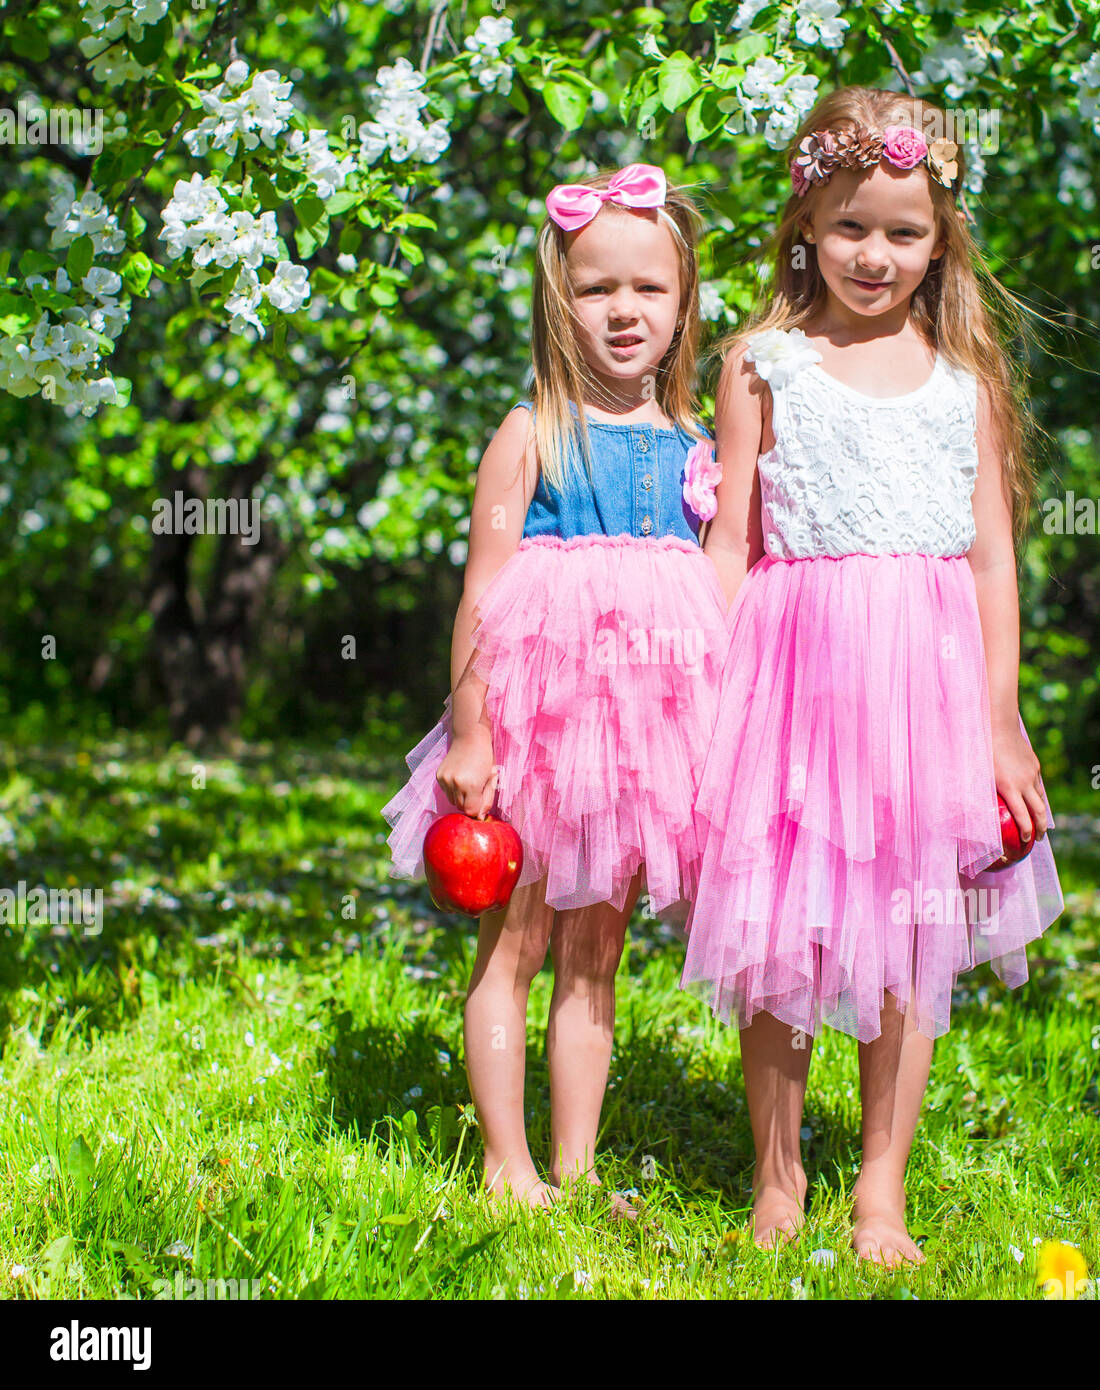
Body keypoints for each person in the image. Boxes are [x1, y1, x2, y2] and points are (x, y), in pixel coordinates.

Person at [679, 89, 1065, 1265]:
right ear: (805, 223)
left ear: (940, 238)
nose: (874, 254)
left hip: (925, 692)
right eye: (849, 226)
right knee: (779, 930)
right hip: (790, 679)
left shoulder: (965, 383)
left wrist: (999, 724)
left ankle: (880, 1190)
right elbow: (733, 542)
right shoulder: (764, 364)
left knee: (908, 940)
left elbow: (992, 560)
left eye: (902, 231)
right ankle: (779, 1173)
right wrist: (698, 693)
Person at [383, 163, 728, 1212]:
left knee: (596, 955)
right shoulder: (529, 434)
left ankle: (574, 1166)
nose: (623, 310)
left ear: (683, 303)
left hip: (636, 747)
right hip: (536, 723)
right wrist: (472, 733)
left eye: (648, 289)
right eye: (595, 289)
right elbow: (485, 590)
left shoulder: (696, 447)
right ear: (557, 298)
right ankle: (505, 1162)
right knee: (517, 940)